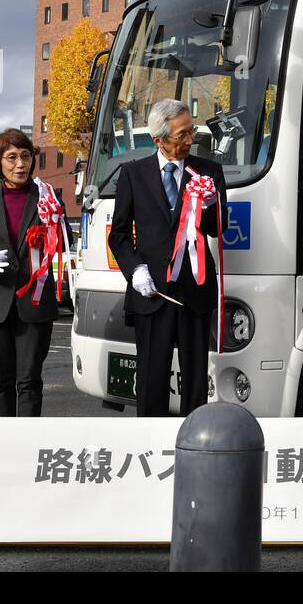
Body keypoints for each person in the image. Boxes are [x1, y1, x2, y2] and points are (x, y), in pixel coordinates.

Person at [108, 98, 227, 417]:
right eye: (181, 134)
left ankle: (194, 438)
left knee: (195, 382)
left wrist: (210, 205)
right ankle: (151, 442)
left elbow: (219, 228)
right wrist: (135, 269)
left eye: (191, 131)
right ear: (158, 139)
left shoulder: (209, 172)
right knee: (151, 380)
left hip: (194, 290)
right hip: (152, 293)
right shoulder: (133, 174)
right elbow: (118, 234)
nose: (190, 140)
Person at [0, 129, 58, 417]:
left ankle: (28, 441)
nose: (20, 164)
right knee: (1, 382)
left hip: (35, 301)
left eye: (26, 156)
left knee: (29, 381)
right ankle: (3, 439)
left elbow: (61, 241)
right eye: (12, 157)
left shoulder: (47, 199)